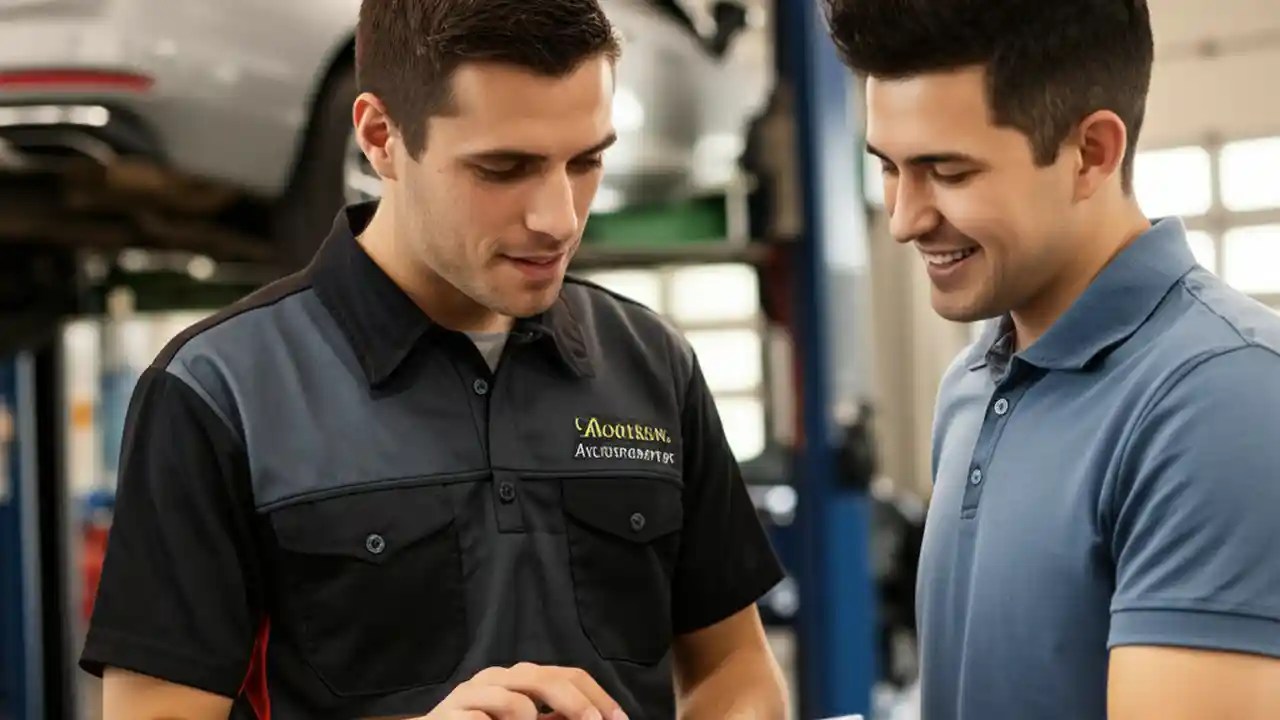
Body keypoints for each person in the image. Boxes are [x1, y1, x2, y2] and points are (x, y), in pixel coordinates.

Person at [79, 1, 790, 718]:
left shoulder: (652, 364)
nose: (558, 218)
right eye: (503, 168)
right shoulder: (218, 392)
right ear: (380, 138)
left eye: (586, 161)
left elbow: (737, 672)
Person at [823, 0, 1280, 718]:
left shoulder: (1224, 401)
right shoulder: (973, 383)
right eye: (887, 167)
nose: (905, 219)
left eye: (949, 172)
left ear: (1090, 152)